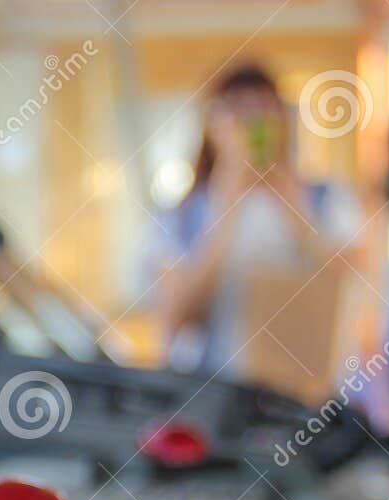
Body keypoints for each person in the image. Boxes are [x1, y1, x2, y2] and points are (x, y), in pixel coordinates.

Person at [150, 64, 360, 381]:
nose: (250, 124)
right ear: (211, 126)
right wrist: (225, 210)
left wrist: (296, 213)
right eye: (237, 112)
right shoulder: (182, 214)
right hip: (217, 388)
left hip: (307, 390)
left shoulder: (327, 199)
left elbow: (352, 292)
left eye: (263, 109)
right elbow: (174, 318)